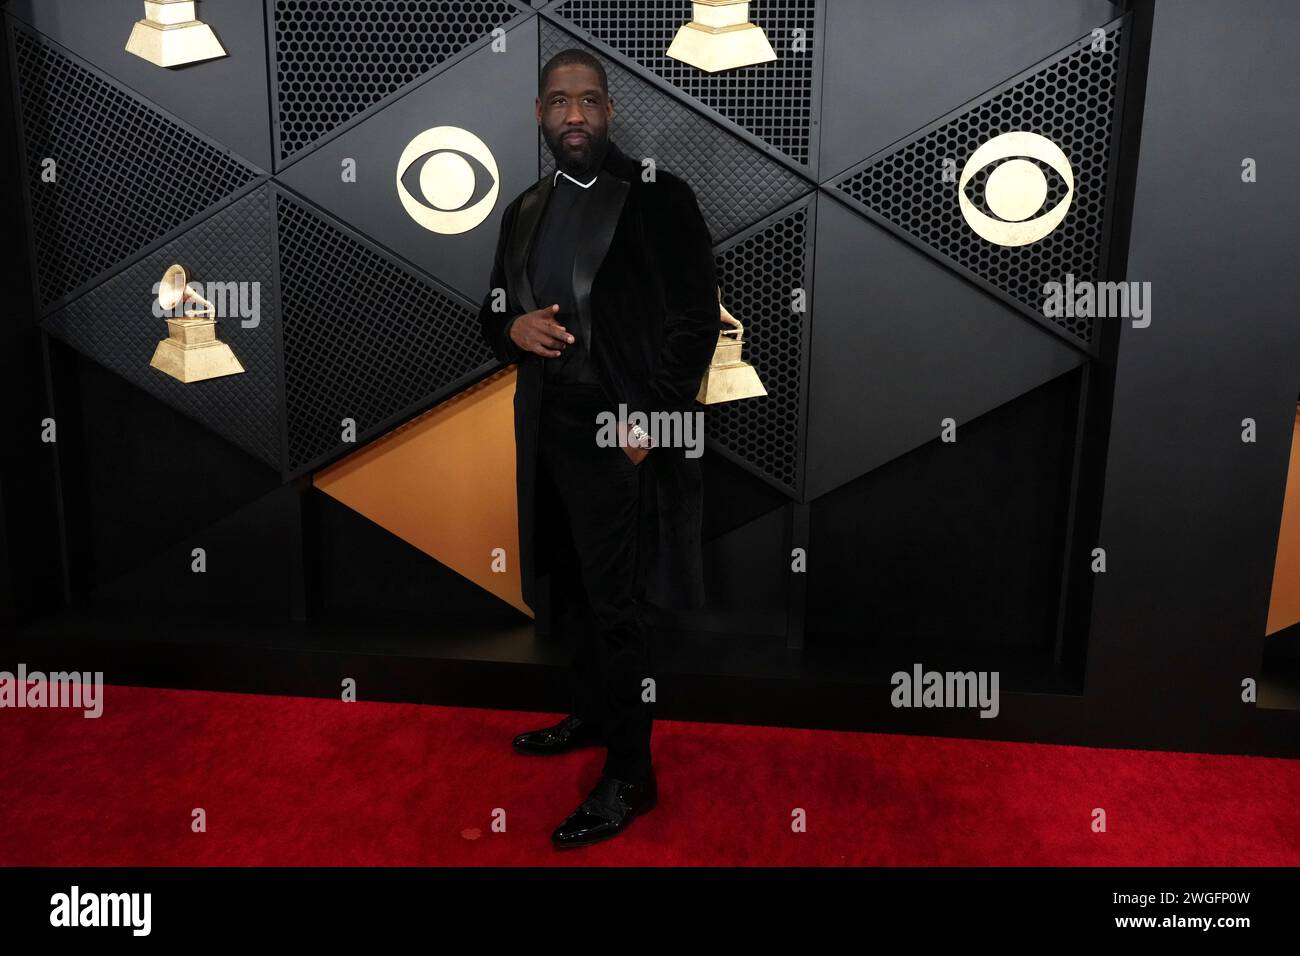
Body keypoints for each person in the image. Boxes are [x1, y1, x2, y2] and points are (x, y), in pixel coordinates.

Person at [476, 48, 720, 848]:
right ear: (539, 116)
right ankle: (592, 715)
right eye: (557, 102)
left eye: (587, 101)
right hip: (546, 426)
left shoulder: (659, 199)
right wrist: (511, 327)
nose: (573, 115)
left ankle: (630, 776)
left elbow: (694, 322)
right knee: (572, 593)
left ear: (609, 111)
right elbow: (490, 310)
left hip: (621, 436)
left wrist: (646, 424)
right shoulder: (524, 208)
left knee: (620, 611)